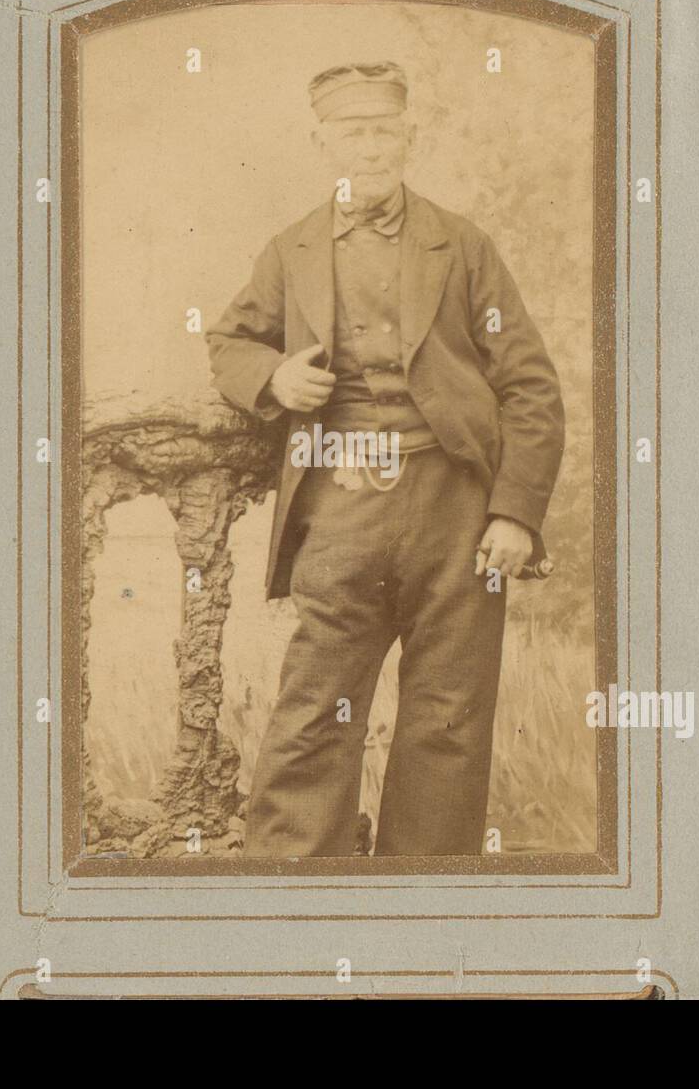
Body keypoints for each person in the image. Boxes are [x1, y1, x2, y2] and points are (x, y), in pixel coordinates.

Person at [206, 61, 564, 856]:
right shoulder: (291, 249)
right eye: (351, 132)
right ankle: (294, 899)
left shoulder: (462, 246)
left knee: (448, 716)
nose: (369, 148)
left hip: (455, 511)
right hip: (341, 508)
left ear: (409, 137)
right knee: (313, 709)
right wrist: (273, 375)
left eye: (383, 130)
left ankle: (421, 904)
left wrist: (515, 512)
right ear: (321, 142)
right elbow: (228, 340)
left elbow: (531, 386)